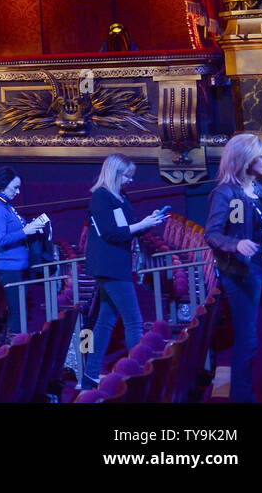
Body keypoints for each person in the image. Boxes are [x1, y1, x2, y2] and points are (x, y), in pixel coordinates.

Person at [204, 132, 262, 402]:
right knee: (248, 341)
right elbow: (212, 234)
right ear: (245, 160)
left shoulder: (259, 190)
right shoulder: (225, 193)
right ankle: (242, 398)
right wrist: (235, 245)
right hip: (242, 274)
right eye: (261, 156)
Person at [81, 155, 166, 389]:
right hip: (109, 266)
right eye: (127, 175)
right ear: (115, 173)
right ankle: (139, 376)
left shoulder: (121, 197)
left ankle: (89, 377)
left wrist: (150, 221)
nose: (130, 179)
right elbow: (111, 233)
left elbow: (129, 228)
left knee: (106, 320)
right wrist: (141, 225)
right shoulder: (101, 197)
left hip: (118, 263)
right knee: (134, 321)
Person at [0, 168, 50, 335]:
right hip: (10, 270)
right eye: (15, 187)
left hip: (19, 267)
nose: (18, 191)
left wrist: (31, 227)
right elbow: (0, 240)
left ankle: (18, 350)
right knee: (17, 315)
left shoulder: (7, 206)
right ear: (4, 185)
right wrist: (25, 231)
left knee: (22, 313)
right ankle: (13, 354)